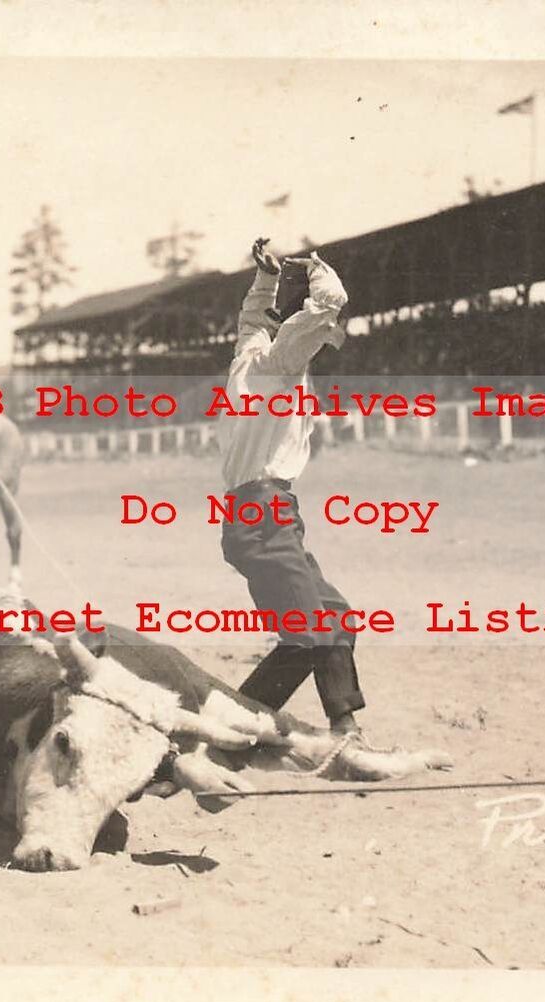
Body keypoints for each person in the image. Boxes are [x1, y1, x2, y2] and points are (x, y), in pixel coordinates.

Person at [217, 238, 364, 737]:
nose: (323, 339)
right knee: (311, 630)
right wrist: (316, 268)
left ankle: (341, 728)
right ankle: (234, 727)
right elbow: (328, 306)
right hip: (263, 514)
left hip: (266, 514)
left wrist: (266, 278)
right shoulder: (278, 366)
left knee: (334, 618)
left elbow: (253, 320)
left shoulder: (250, 357)